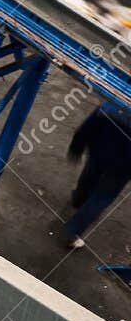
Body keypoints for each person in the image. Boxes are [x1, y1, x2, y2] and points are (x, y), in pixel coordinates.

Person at [63, 102, 131, 248]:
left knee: (89, 175)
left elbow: (90, 124)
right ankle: (72, 232)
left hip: (99, 152)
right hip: (122, 167)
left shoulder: (114, 103)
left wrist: (77, 145)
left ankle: (78, 200)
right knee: (101, 198)